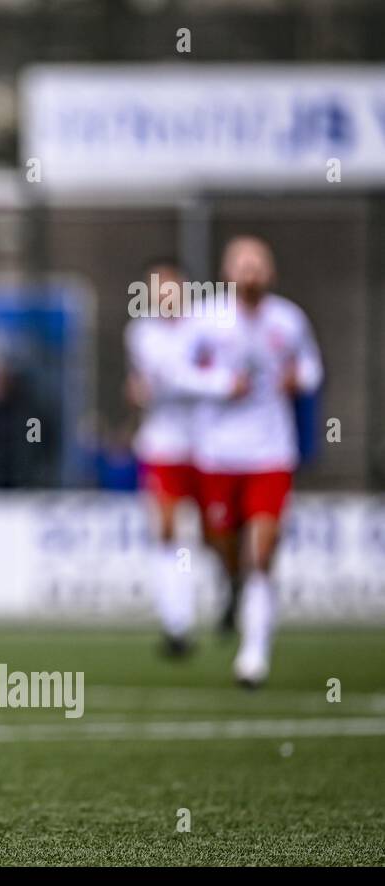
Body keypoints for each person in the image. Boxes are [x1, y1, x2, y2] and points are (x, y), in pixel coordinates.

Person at [190, 236, 323, 687]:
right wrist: (220, 384)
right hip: (217, 453)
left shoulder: (289, 319)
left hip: (270, 452)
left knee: (262, 552)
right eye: (242, 265)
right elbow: (180, 374)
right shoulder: (206, 319)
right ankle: (231, 584)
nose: (250, 273)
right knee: (223, 543)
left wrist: (297, 378)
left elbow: (311, 368)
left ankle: (254, 656)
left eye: (258, 265)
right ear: (228, 272)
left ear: (271, 273)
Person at [124, 259, 214, 654]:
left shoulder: (209, 327)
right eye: (155, 287)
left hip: (211, 444)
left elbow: (208, 382)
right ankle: (177, 623)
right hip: (162, 444)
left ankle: (231, 594)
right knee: (166, 531)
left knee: (217, 534)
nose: (163, 295)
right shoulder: (141, 333)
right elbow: (146, 384)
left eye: (169, 286)